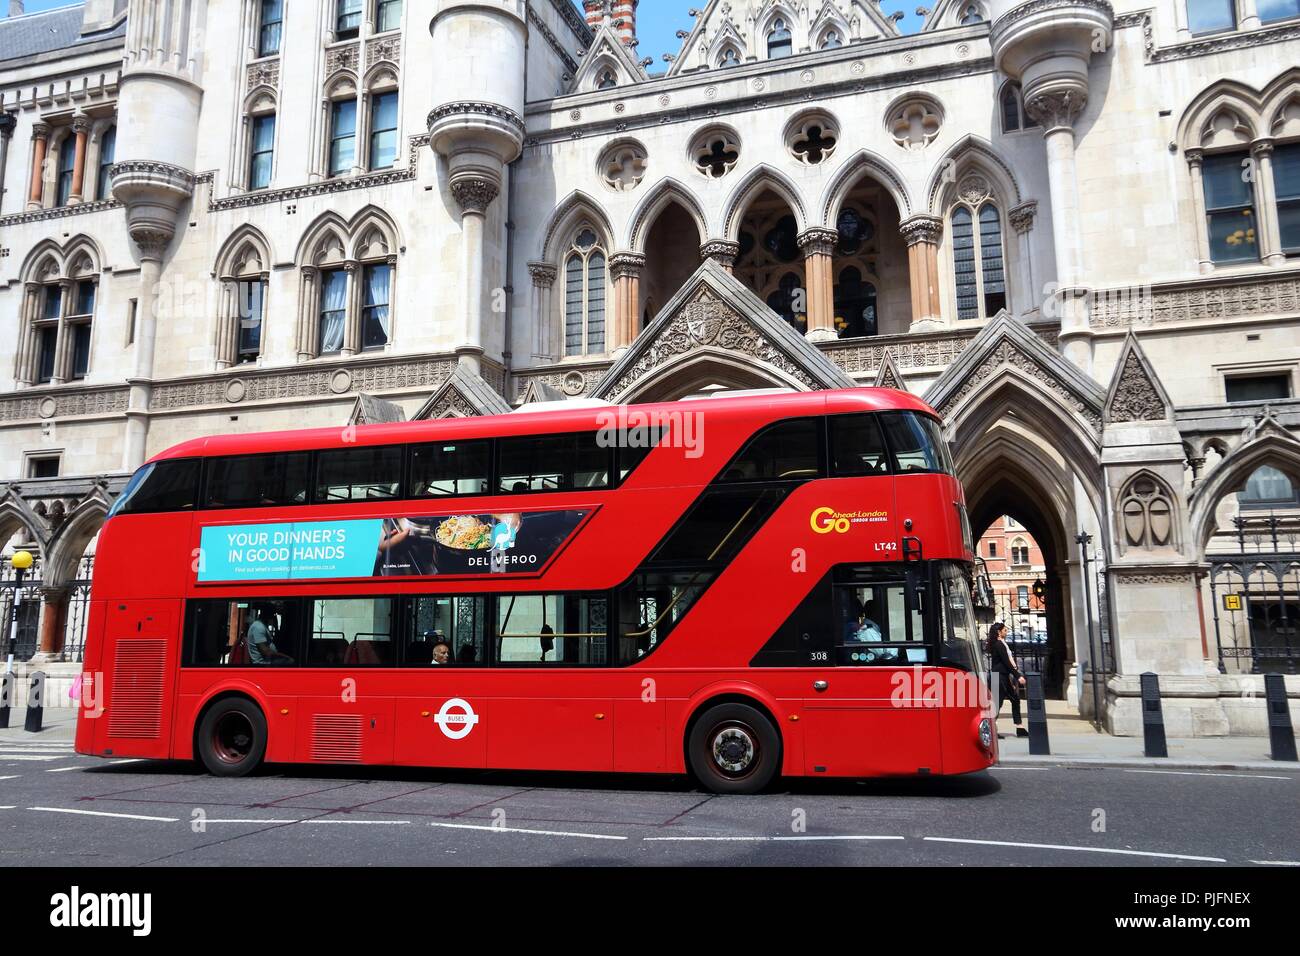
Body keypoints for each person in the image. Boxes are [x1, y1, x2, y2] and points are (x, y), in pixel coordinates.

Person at [987, 622, 1028, 737]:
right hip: (999, 677)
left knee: (1014, 699)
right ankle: (991, 729)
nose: (1007, 632)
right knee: (997, 704)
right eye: (1005, 630)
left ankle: (1019, 727)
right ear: (999, 632)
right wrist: (1017, 675)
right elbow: (1006, 662)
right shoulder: (999, 645)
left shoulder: (1002, 643)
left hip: (1001, 676)